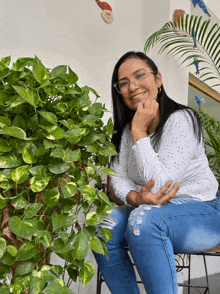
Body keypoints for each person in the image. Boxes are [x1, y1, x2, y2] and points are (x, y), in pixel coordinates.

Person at [93, 51, 220, 294]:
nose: (133, 86)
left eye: (140, 75)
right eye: (124, 83)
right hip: (147, 208)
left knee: (145, 219)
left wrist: (140, 131)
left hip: (203, 211)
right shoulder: (126, 130)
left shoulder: (181, 119)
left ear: (158, 80)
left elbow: (163, 185)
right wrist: (135, 198)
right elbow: (116, 177)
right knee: (103, 227)